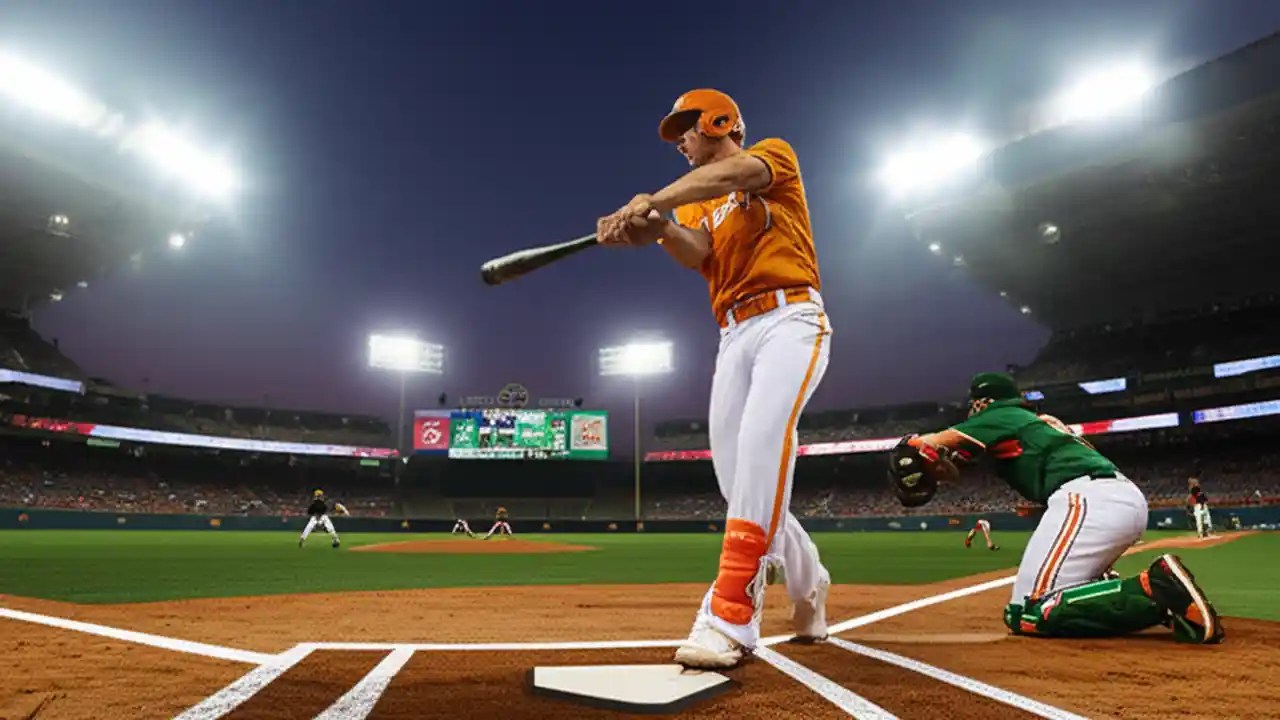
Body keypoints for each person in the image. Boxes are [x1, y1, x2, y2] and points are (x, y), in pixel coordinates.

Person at [596, 89, 832, 668]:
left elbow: (731, 176)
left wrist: (651, 200)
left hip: (790, 317)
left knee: (760, 443)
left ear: (720, 121)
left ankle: (730, 613)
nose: (680, 140)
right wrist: (659, 229)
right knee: (737, 480)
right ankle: (809, 582)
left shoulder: (771, 156)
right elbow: (698, 250)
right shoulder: (699, 201)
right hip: (732, 335)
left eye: (688, 128)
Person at [892, 372, 1224, 644]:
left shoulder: (999, 415)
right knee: (1021, 611)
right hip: (1112, 497)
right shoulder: (1030, 420)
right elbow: (952, 464)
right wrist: (940, 469)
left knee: (1030, 612)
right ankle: (1130, 594)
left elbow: (930, 444)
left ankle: (1153, 588)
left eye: (974, 404)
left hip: (1089, 498)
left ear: (982, 402)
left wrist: (909, 446)